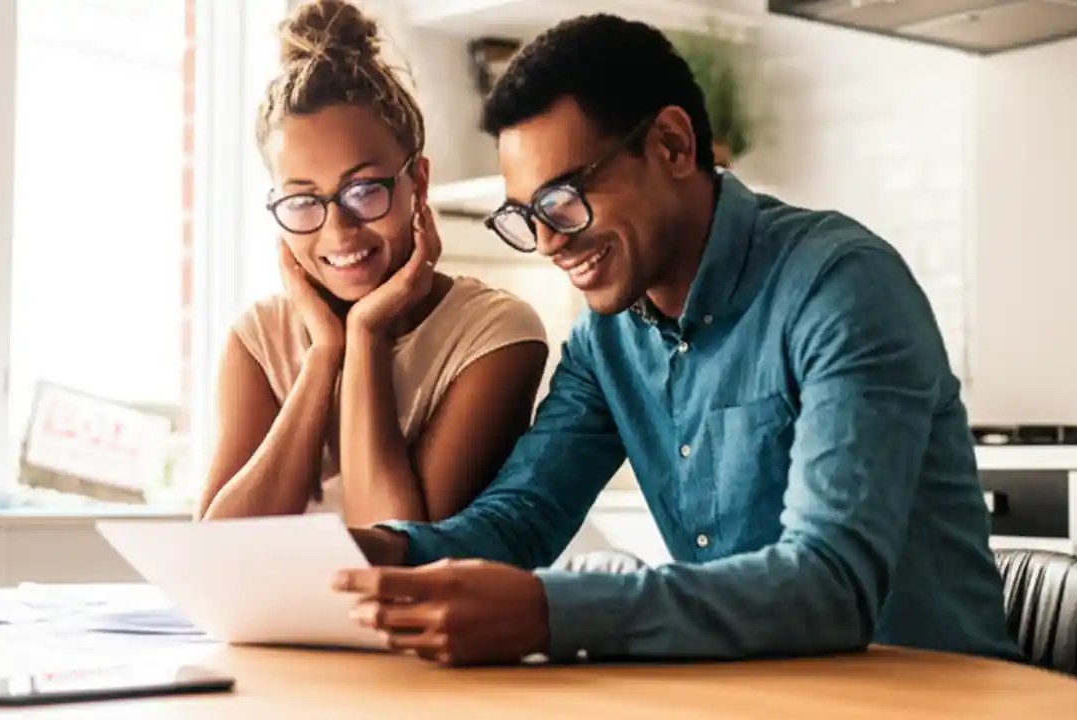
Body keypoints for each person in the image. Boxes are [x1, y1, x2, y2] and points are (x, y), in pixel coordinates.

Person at [334, 13, 1020, 667]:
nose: (546, 242)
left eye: (563, 200)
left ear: (672, 145)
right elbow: (522, 518)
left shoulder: (840, 285)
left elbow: (830, 585)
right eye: (525, 216)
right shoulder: (607, 338)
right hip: (757, 696)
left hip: (935, 695)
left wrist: (552, 611)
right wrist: (378, 553)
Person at [196, 0, 548, 527]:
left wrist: (363, 336)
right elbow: (218, 553)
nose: (337, 231)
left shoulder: (496, 335)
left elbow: (397, 549)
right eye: (302, 202)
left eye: (362, 191)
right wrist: (323, 357)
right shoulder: (259, 338)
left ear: (418, 183)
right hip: (281, 613)